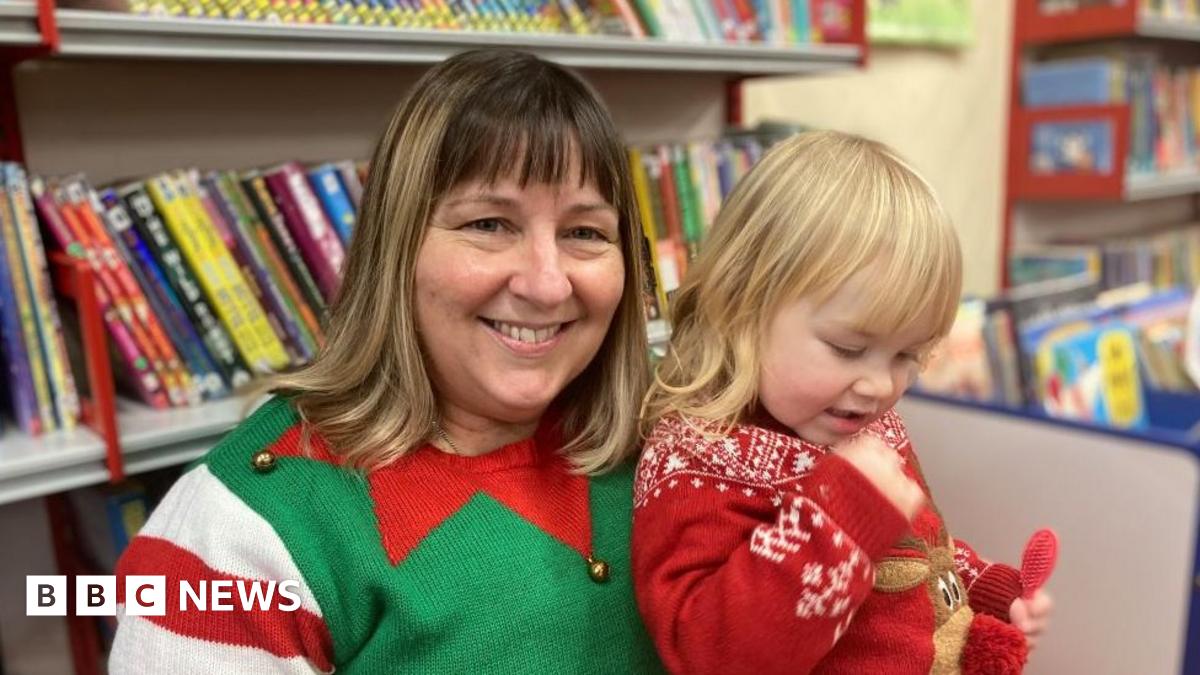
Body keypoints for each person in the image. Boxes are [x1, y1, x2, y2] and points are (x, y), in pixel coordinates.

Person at [110, 49, 664, 674]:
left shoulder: (682, 445)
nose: (546, 284)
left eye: (585, 233)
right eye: (489, 223)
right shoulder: (238, 523)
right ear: (395, 248)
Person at [632, 130, 1053, 674]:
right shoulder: (696, 462)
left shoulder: (857, 419)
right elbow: (712, 652)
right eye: (847, 348)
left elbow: (921, 548)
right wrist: (840, 521)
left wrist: (988, 590)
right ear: (741, 304)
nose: (881, 386)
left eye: (907, 355)